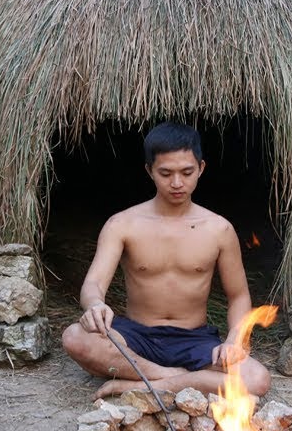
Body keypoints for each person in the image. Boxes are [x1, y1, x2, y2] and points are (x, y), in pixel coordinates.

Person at [61, 122, 272, 399]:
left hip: (194, 339)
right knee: (75, 337)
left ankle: (140, 384)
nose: (176, 183)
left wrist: (234, 340)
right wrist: (95, 305)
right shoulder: (122, 224)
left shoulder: (219, 229)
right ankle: (169, 376)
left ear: (201, 168)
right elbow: (94, 284)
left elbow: (238, 295)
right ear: (149, 171)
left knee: (257, 379)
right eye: (165, 173)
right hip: (135, 335)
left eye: (186, 172)